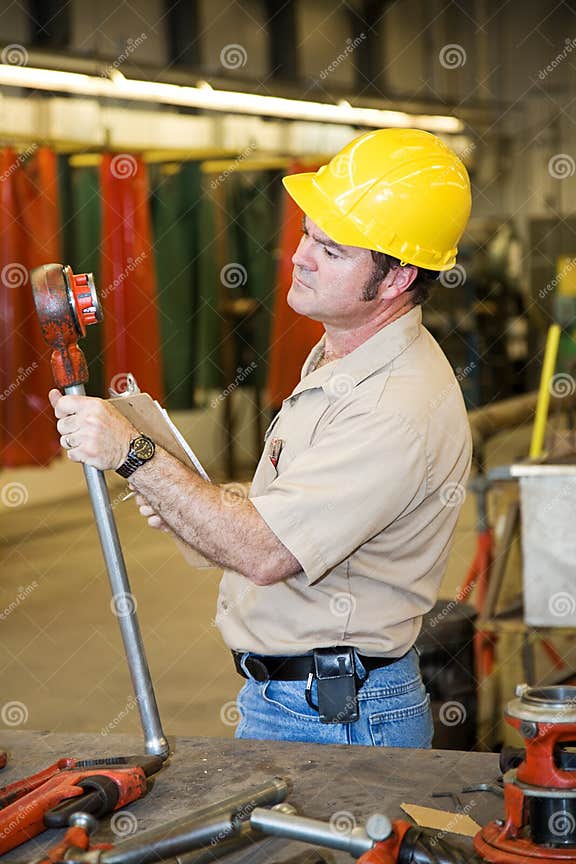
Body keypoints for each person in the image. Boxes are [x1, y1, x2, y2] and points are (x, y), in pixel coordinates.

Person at [49, 128, 472, 748]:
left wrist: (134, 454)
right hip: (298, 698)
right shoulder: (341, 359)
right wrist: (191, 500)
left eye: (331, 251)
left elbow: (266, 552)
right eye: (306, 233)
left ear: (397, 279)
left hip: (339, 717)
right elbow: (290, 512)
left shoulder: (391, 407)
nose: (299, 257)